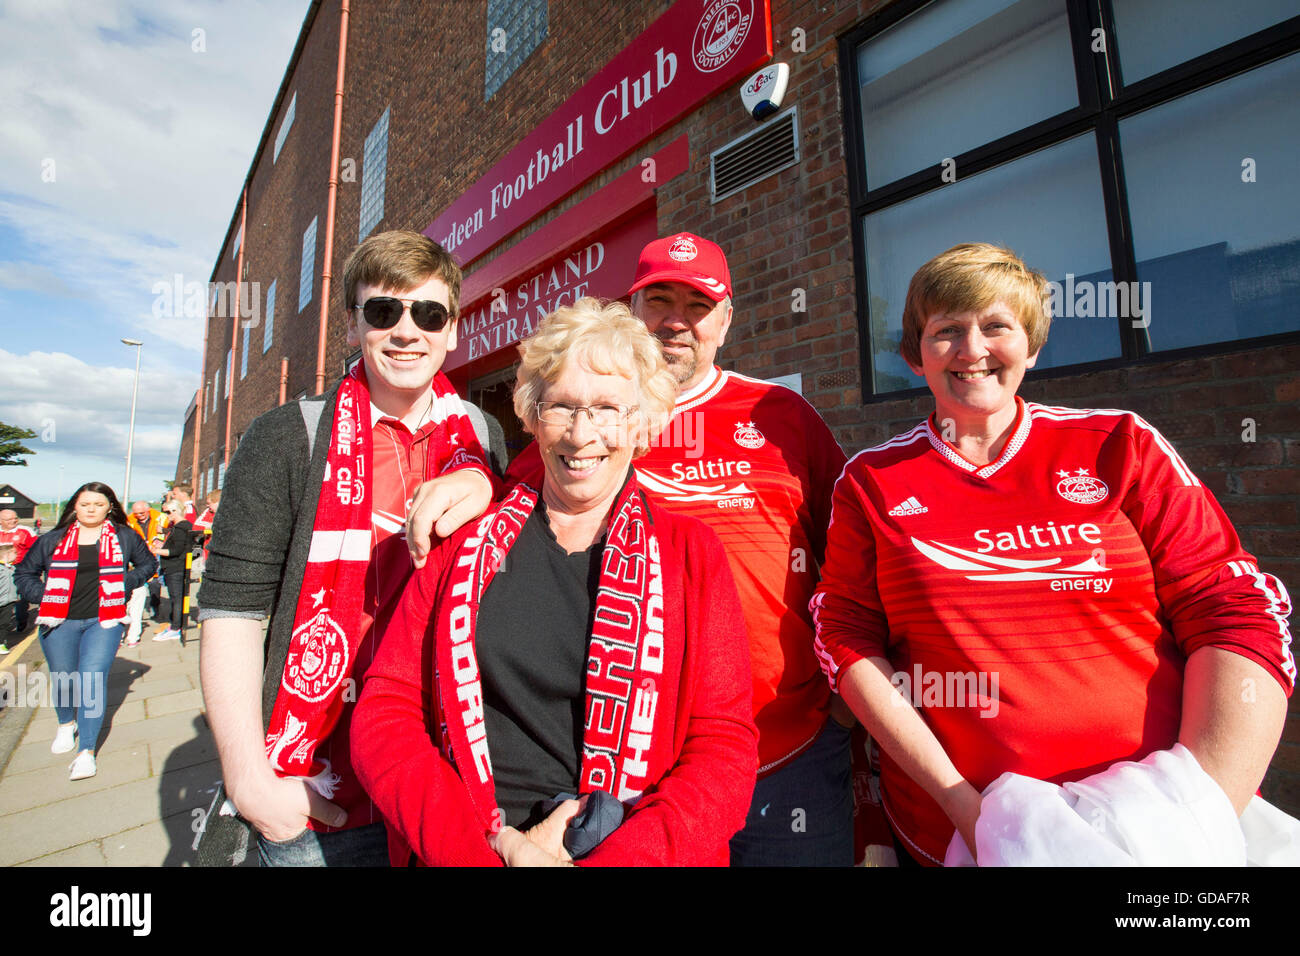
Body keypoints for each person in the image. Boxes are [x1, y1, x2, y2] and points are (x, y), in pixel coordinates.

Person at [811, 242, 1295, 865]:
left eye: (996, 326)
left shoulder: (1118, 442)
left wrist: (1195, 819)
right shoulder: (871, 480)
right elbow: (846, 636)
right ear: (915, 356)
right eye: (947, 331)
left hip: (1165, 830)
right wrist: (967, 808)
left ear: (1033, 345)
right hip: (961, 833)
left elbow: (1231, 603)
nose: (972, 349)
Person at [353, 298, 757, 866]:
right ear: (531, 415)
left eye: (608, 409)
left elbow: (724, 750)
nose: (581, 433)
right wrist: (478, 853)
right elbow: (386, 711)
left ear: (642, 421)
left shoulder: (692, 554)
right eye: (560, 407)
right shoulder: (466, 542)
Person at [504, 232, 852, 865]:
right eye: (658, 299)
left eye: (697, 304)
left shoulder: (783, 415)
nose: (675, 320)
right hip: (644, 770)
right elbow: (506, 529)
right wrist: (472, 475)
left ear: (725, 318)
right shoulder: (590, 420)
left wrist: (851, 695)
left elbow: (854, 564)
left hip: (789, 751)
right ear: (632, 311)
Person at [197, 229, 503, 867]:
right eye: (383, 311)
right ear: (351, 324)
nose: (406, 332)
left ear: (452, 330)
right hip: (323, 789)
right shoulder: (286, 438)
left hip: (450, 778)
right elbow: (232, 610)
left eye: (429, 314)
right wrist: (249, 780)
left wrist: (483, 476)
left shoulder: (483, 437)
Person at [15, 482, 157, 780]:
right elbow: (24, 572)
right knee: (64, 679)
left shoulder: (124, 537)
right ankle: (66, 723)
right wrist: (42, 595)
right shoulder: (52, 539)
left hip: (103, 620)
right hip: (59, 622)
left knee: (92, 679)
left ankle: (86, 752)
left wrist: (125, 584)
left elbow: (148, 564)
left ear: (110, 508)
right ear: (74, 507)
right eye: (84, 504)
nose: (91, 509)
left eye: (98, 504)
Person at [124, 500, 164, 646]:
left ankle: (155, 607)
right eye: (136, 513)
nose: (139, 516)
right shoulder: (130, 520)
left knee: (154, 584)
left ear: (148, 510)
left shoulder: (160, 518)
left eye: (142, 513)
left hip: (154, 553)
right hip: (138, 554)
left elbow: (168, 531)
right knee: (138, 592)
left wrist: (160, 539)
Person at [152, 501, 193, 642]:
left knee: (176, 598)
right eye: (165, 512)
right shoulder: (179, 527)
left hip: (175, 567)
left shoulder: (181, 528)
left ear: (176, 511)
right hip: (175, 567)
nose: (166, 515)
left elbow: (176, 550)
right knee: (176, 598)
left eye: (168, 512)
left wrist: (157, 550)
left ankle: (176, 628)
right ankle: (175, 626)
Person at [0, 509, 36, 633]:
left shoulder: (25, 531)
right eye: (9, 519)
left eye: (15, 518)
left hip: (19, 568)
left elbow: (36, 549)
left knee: (19, 597)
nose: (13, 521)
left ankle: (21, 620)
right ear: (1, 521)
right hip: (1, 570)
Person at [0, 543, 18, 654]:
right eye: (14, 552)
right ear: (7, 554)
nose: (17, 554)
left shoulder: (12, 568)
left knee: (4, 623)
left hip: (8, 601)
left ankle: (1, 644)